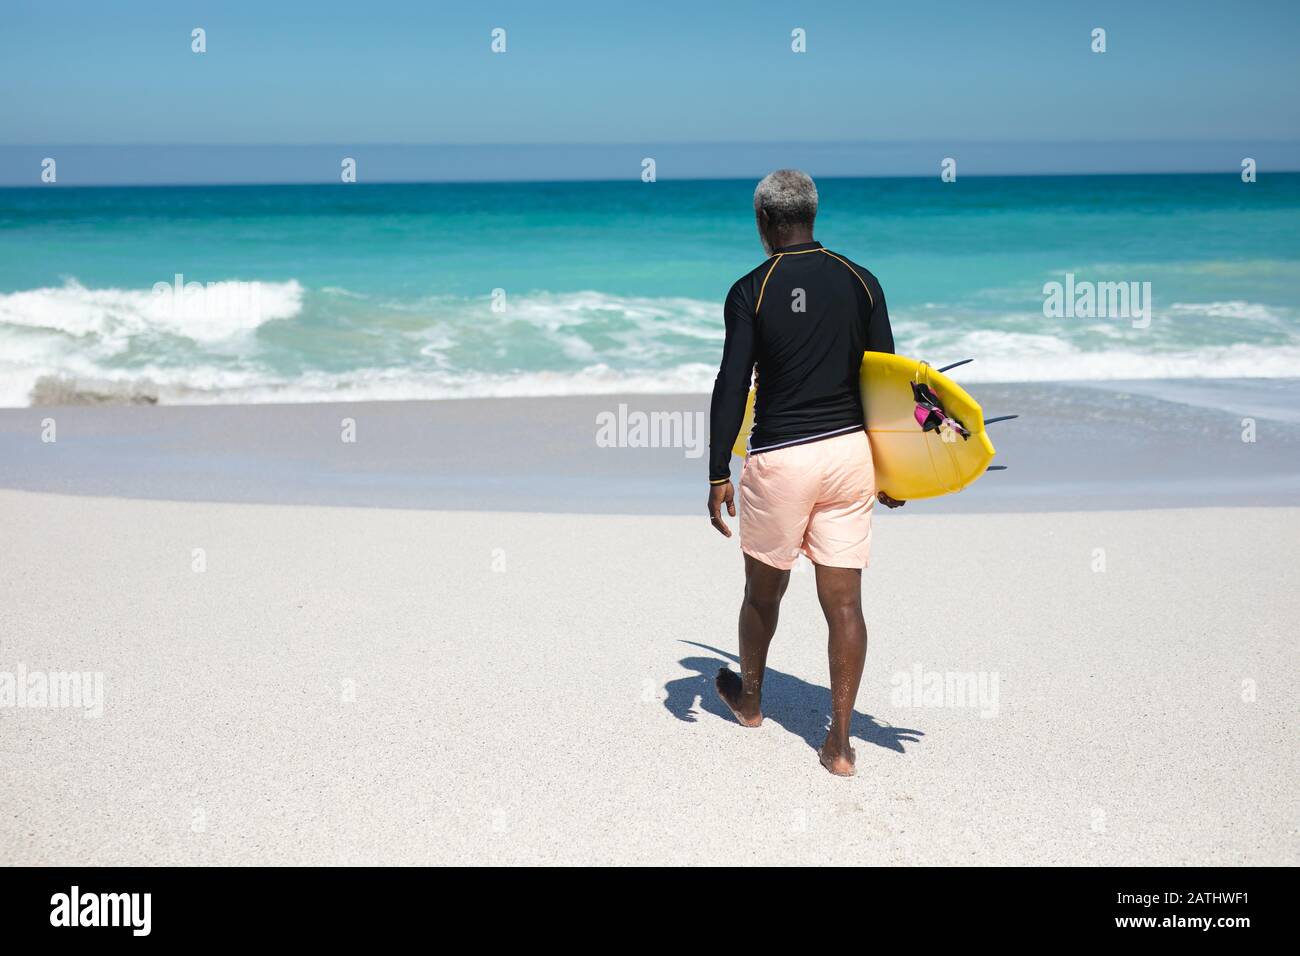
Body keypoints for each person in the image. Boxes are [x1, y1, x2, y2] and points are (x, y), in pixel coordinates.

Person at [707, 169, 903, 776]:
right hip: (849, 457)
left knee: (763, 592)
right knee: (845, 605)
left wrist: (718, 470)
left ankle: (751, 701)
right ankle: (840, 745)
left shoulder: (751, 290)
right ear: (813, 216)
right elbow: (887, 381)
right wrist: (894, 469)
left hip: (783, 458)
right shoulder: (861, 281)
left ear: (764, 222)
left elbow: (733, 383)